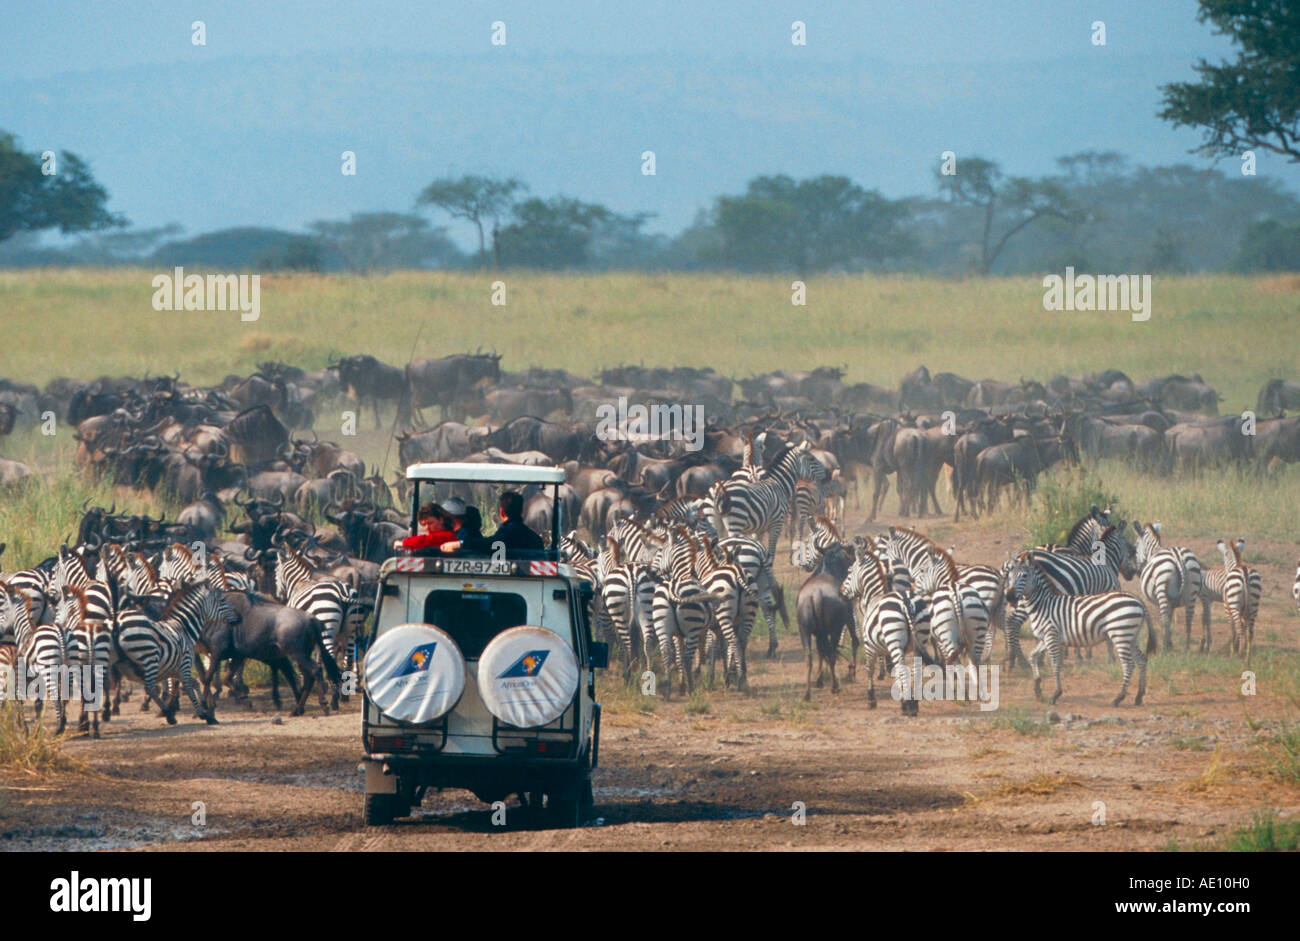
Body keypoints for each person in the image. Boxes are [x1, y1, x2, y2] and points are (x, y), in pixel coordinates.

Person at [442, 490, 545, 554]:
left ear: (501, 512)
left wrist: (461, 544)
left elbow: (489, 543)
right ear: (522, 511)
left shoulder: (504, 535)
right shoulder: (536, 539)